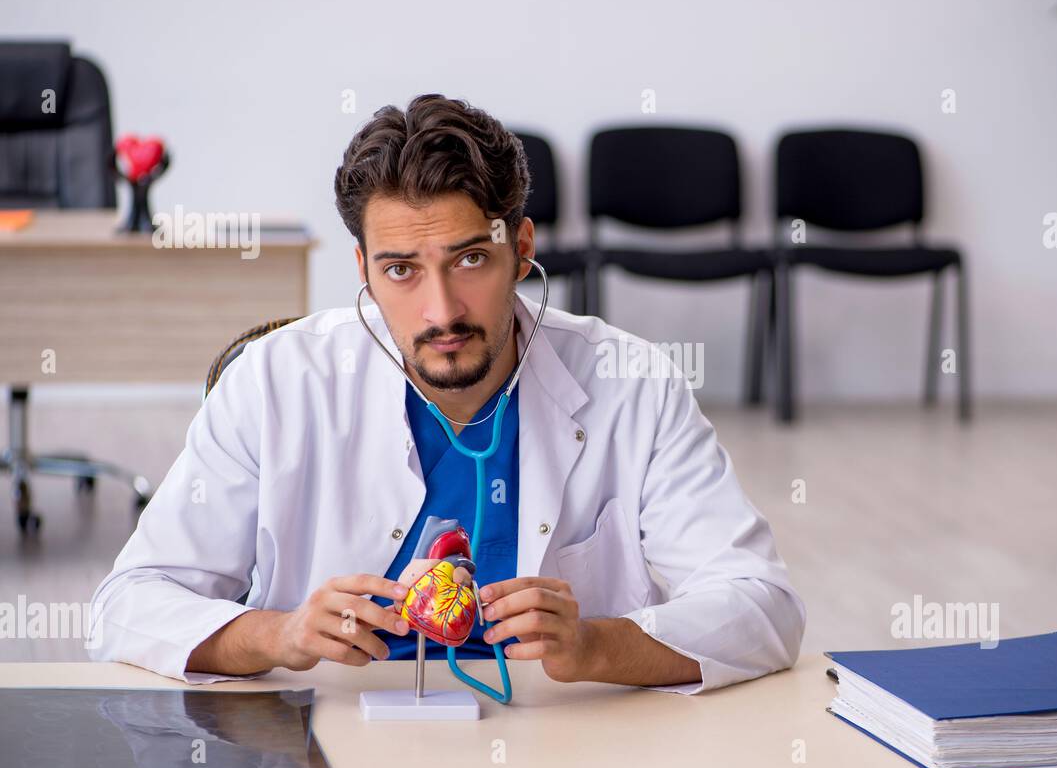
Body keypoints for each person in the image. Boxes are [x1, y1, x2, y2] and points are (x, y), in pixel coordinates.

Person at [88, 94, 805, 695]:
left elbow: (765, 607)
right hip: (336, 737)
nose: (441, 310)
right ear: (363, 269)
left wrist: (595, 645)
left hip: (559, 746)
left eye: (469, 259)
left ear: (521, 249)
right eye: (401, 269)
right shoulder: (275, 384)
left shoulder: (633, 385)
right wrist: (281, 631)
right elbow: (128, 605)